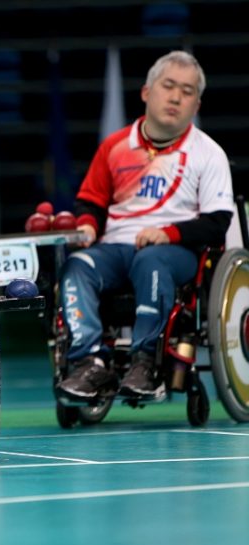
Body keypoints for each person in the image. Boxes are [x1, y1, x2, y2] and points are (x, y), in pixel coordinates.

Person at [56, 50, 234, 403]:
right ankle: (90, 364)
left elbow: (217, 223)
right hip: (116, 247)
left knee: (150, 260)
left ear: (196, 105)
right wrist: (88, 226)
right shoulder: (116, 146)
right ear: (146, 92)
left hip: (176, 254)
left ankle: (145, 363)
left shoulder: (209, 154)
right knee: (77, 266)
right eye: (168, 86)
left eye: (186, 92)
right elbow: (90, 201)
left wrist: (168, 234)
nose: (176, 97)